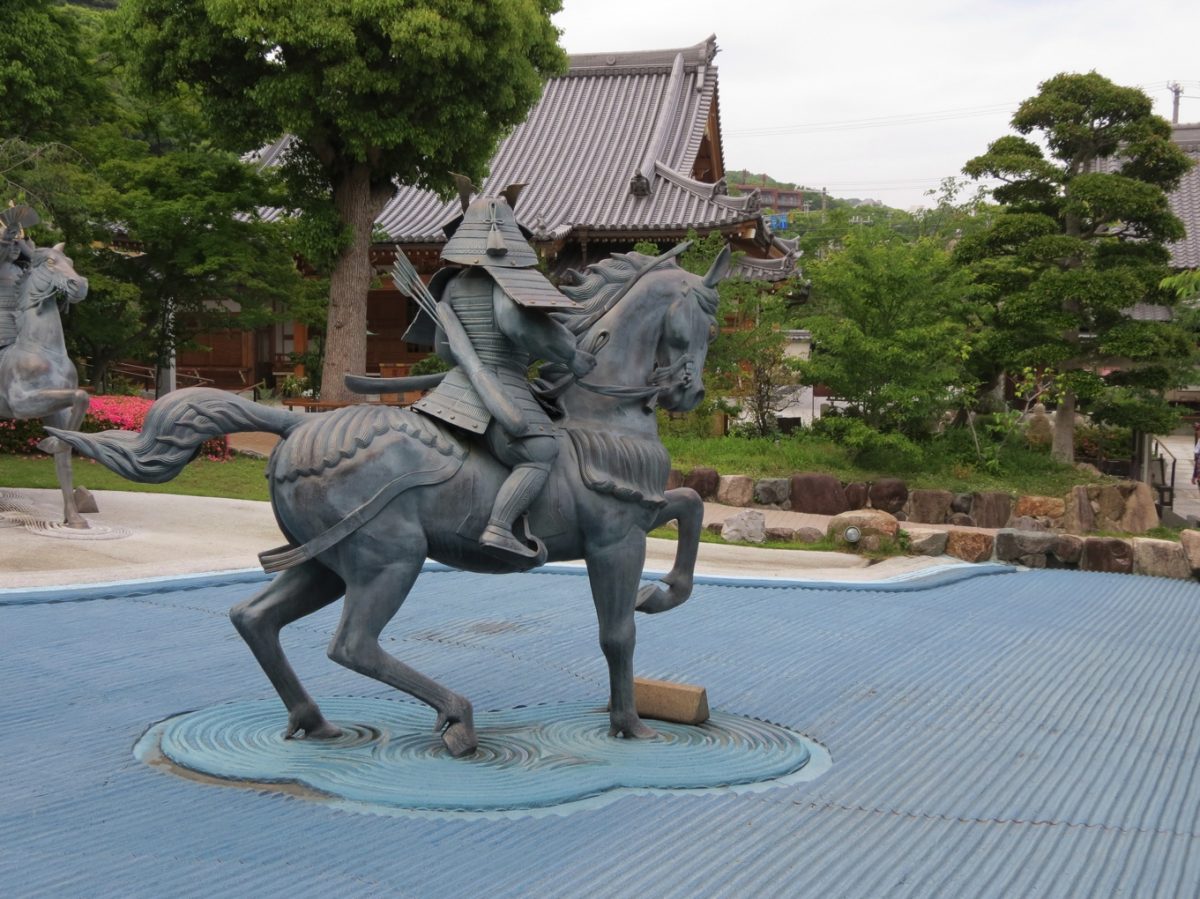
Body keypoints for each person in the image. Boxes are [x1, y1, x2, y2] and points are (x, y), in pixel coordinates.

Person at [405, 187, 594, 561]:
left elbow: (444, 349)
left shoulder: (452, 286)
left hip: (458, 391)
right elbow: (520, 328)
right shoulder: (509, 282)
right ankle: (500, 527)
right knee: (541, 449)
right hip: (501, 386)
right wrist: (573, 357)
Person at [0, 205, 37, 349]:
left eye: (18, 246)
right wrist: (6, 239)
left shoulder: (21, 270)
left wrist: (24, 245)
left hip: (22, 321)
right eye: (12, 245)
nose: (15, 248)